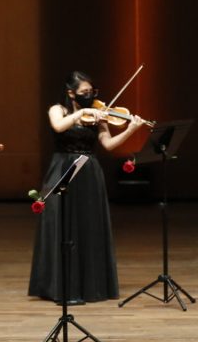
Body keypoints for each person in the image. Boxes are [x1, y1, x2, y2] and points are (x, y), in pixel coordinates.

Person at [29, 71, 146, 304]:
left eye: (92, 92)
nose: (89, 96)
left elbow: (109, 144)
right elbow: (59, 126)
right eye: (84, 93)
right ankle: (60, 287)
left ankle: (91, 286)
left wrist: (131, 129)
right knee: (61, 225)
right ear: (70, 93)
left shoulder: (99, 115)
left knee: (88, 225)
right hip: (63, 168)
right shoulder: (58, 110)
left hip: (89, 171)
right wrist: (81, 113)